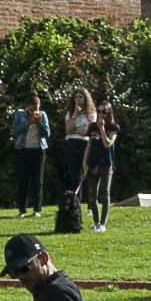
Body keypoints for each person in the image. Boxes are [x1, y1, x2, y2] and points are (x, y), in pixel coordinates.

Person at [57, 80, 97, 220]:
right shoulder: (70, 113)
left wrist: (80, 130)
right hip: (71, 144)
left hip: (86, 145)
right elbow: (68, 130)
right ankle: (76, 203)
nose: (78, 100)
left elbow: (88, 131)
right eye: (76, 97)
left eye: (81, 97)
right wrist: (75, 115)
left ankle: (92, 205)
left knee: (88, 175)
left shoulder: (91, 114)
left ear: (86, 99)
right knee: (75, 176)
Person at [8, 91, 51, 217]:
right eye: (33, 108)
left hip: (39, 151)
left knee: (38, 181)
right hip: (23, 150)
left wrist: (38, 123)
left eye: (37, 108)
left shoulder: (43, 115)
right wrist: (28, 123)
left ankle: (37, 209)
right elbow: (14, 131)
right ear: (28, 106)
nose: (35, 111)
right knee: (22, 180)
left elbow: (47, 134)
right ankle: (22, 209)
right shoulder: (20, 114)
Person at [86, 93, 119, 228]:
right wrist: (84, 163)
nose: (101, 114)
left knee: (105, 194)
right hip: (93, 163)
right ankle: (95, 222)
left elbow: (107, 144)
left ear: (109, 112)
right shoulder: (92, 127)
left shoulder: (114, 127)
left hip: (106, 163)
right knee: (92, 196)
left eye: (104, 111)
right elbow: (89, 145)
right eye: (99, 111)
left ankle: (103, 224)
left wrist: (102, 128)